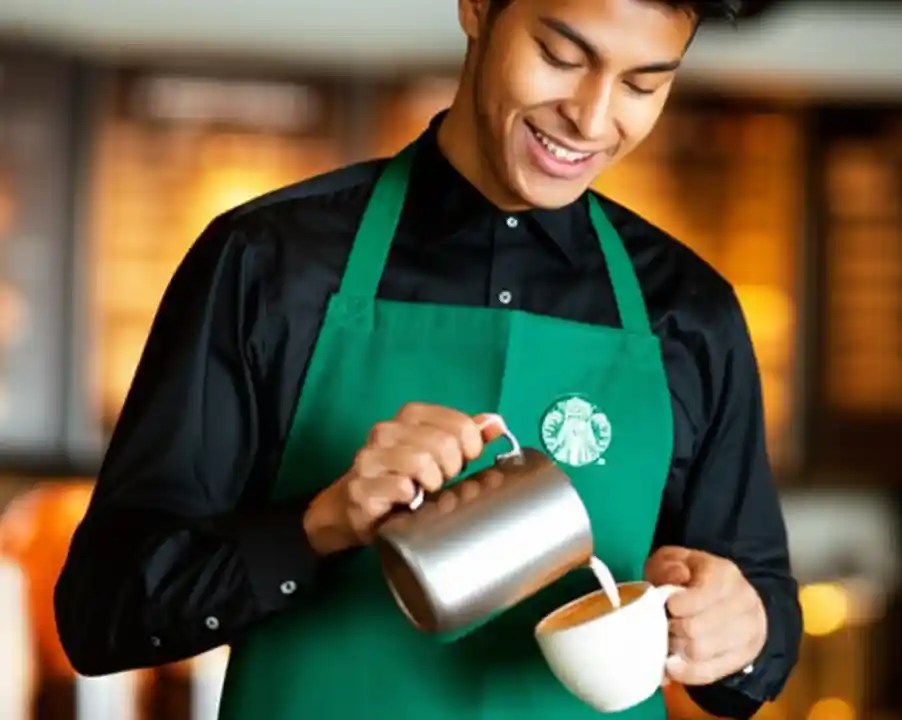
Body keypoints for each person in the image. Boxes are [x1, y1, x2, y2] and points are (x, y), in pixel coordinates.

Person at [54, 0, 801, 717]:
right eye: (560, 56)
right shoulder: (268, 265)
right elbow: (102, 611)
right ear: (476, 6)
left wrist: (745, 631)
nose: (593, 116)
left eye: (644, 83)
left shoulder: (690, 313)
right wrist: (317, 526)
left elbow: (758, 611)